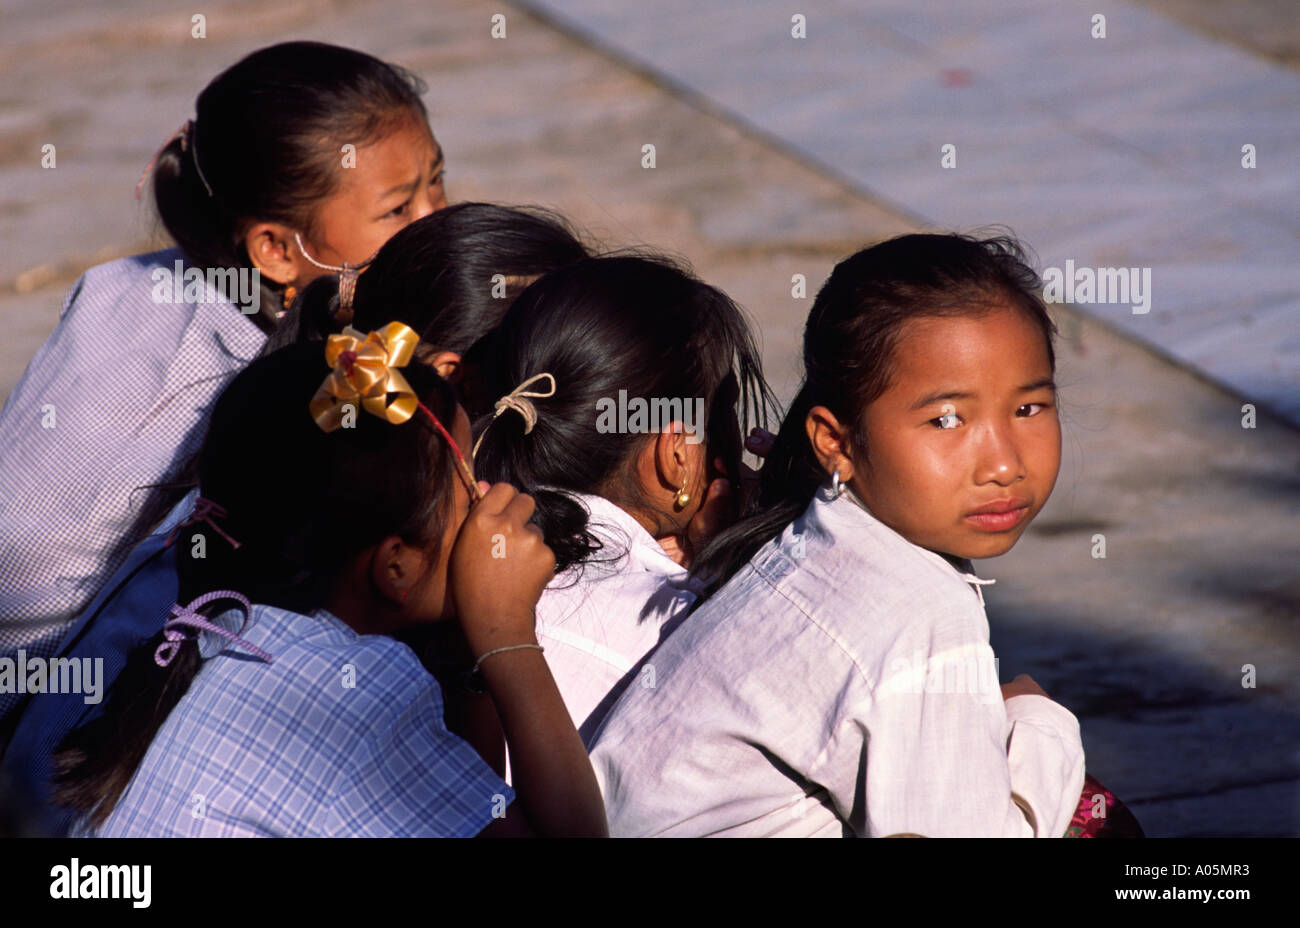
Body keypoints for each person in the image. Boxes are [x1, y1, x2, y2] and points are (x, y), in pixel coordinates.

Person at [589, 233, 1086, 837]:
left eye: (1028, 409)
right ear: (836, 441)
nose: (1003, 464)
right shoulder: (920, 612)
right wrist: (1043, 729)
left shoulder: (813, 541)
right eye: (947, 419)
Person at [0, 41, 447, 690]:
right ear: (274, 250)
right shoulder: (264, 383)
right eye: (399, 209)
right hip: (47, 702)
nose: (439, 221)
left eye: (437, 178)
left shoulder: (120, 282)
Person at [52, 333, 606, 837]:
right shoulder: (354, 690)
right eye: (468, 485)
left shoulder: (222, 637)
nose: (488, 496)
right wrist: (505, 630)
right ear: (396, 567)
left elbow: (473, 811)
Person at [467, 254, 776, 743]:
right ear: (678, 456)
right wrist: (739, 563)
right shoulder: (681, 627)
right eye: (728, 408)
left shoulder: (470, 554)